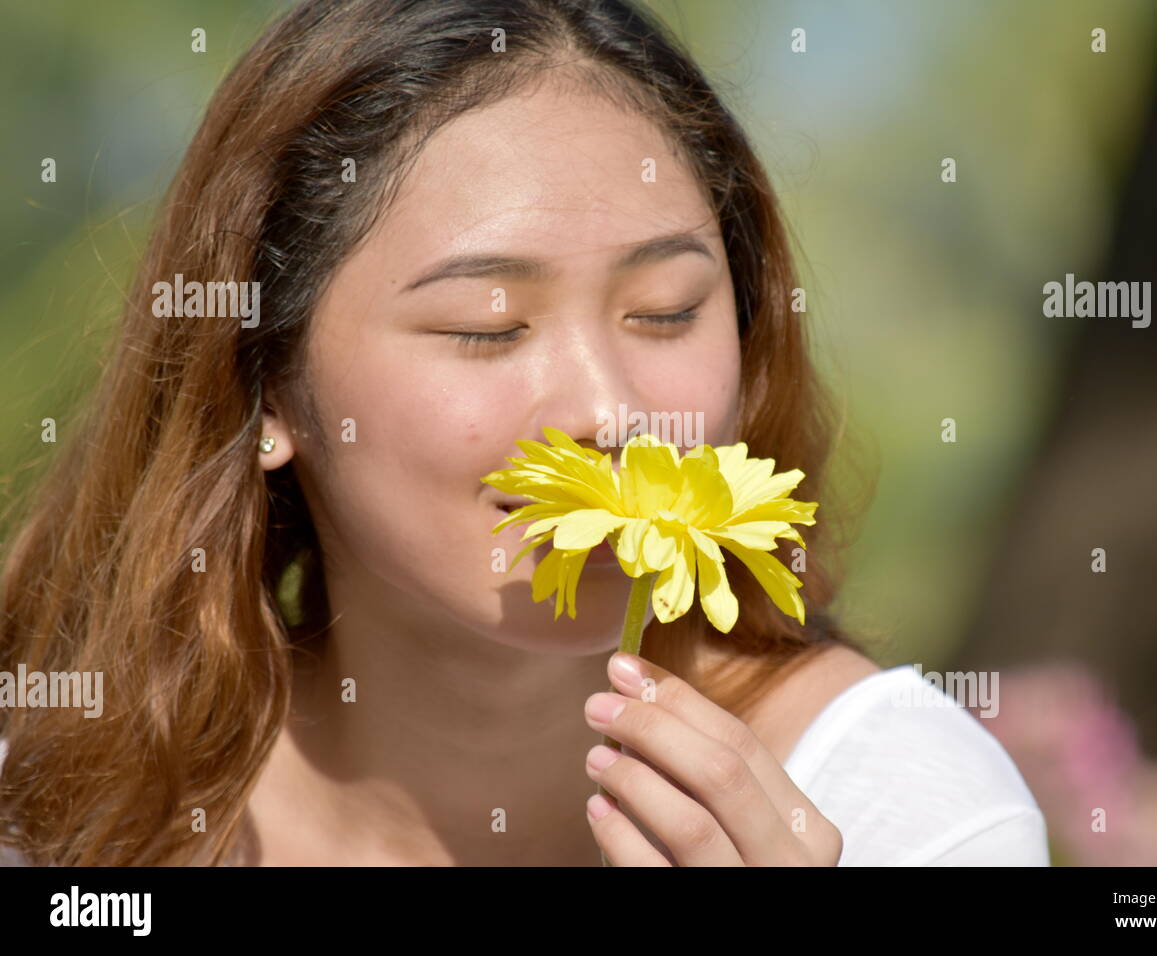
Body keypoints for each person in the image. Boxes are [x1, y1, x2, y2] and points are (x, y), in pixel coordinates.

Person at [0, 0, 1047, 866]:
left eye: (668, 311)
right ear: (267, 386)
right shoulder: (61, 804)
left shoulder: (906, 809)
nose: (610, 411)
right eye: (487, 327)